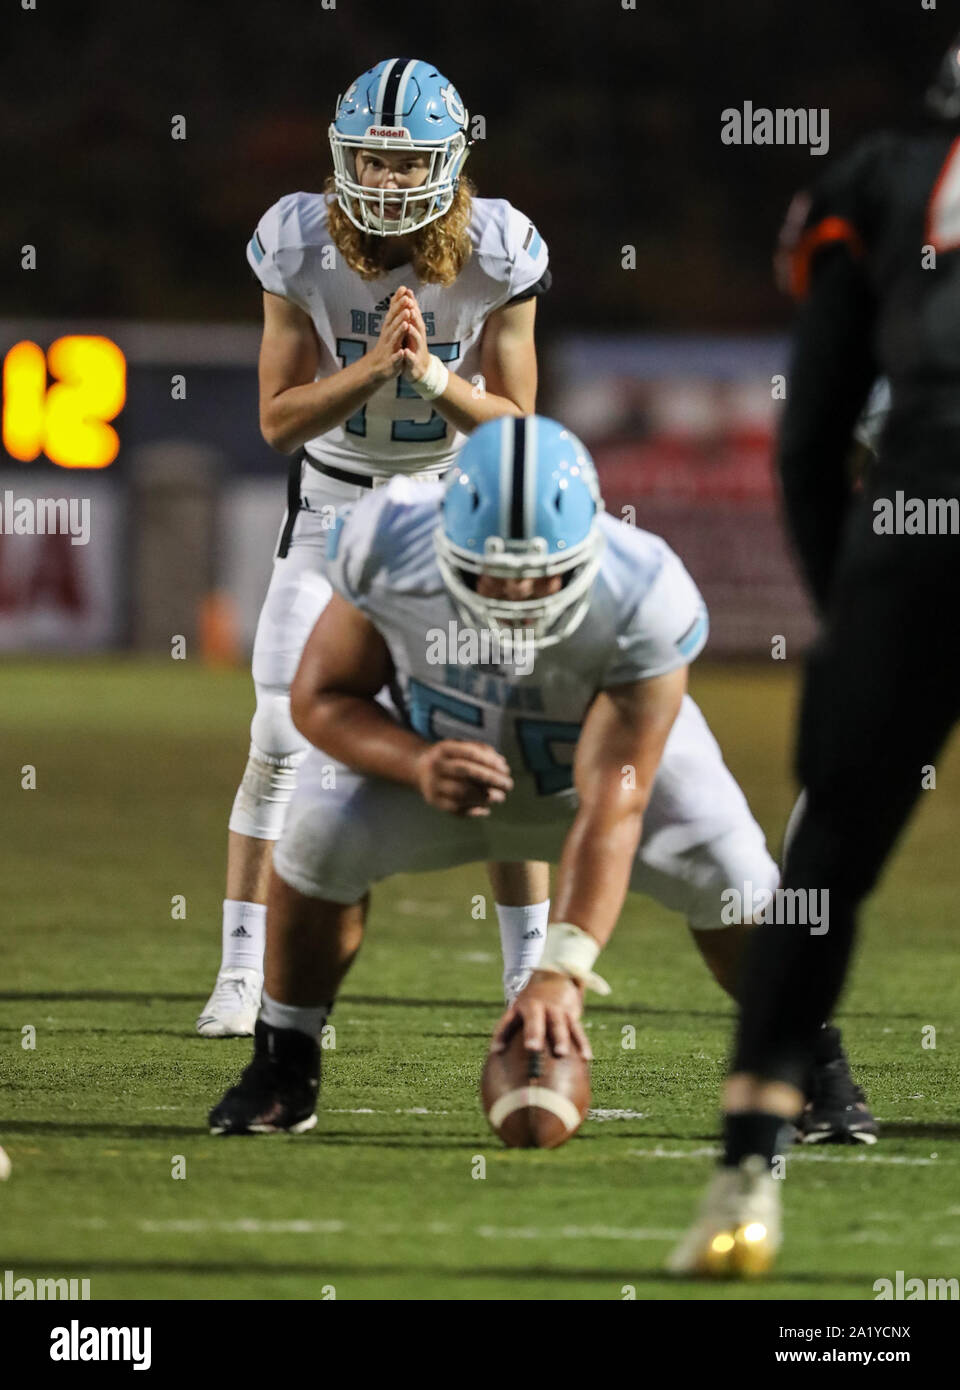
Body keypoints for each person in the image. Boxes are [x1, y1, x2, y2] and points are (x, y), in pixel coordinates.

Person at [208, 416, 864, 1138]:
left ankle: (811, 1061)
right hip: (441, 762)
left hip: (593, 777)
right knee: (315, 828)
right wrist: (415, 760)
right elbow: (321, 699)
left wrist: (563, 968)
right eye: (496, 572)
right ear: (446, 539)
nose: (518, 597)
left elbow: (617, 804)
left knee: (736, 871)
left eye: (540, 574)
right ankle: (283, 1064)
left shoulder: (644, 591)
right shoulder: (387, 542)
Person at [670, 32, 960, 1276]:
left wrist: (860, 597)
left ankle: (748, 1175)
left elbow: (811, 437)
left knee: (827, 858)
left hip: (922, 523)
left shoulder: (886, 183)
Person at [197, 58, 555, 1037]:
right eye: (370, 160)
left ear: (449, 165)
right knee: (277, 736)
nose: (388, 182)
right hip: (333, 508)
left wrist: (434, 380)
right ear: (340, 157)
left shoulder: (501, 249)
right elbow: (277, 422)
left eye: (408, 165)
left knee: (493, 744)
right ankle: (239, 969)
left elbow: (519, 432)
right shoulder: (296, 240)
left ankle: (528, 978)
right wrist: (372, 371)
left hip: (449, 509)